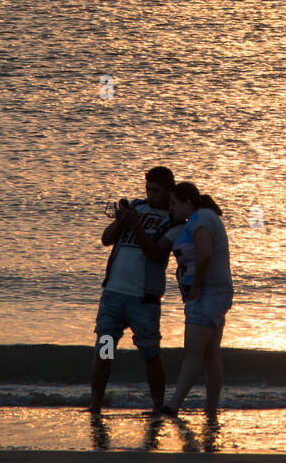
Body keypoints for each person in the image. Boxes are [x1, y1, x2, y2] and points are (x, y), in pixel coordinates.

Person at [89, 165, 175, 414]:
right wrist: (122, 221)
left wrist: (135, 224)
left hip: (144, 299)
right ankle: (95, 404)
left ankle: (158, 406)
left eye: (156, 190)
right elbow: (106, 239)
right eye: (148, 189)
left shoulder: (173, 220)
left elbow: (155, 253)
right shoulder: (136, 207)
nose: (150, 195)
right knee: (104, 349)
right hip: (113, 294)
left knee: (150, 354)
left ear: (169, 192)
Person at [163, 182, 234, 418]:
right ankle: (211, 410)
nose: (171, 208)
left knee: (193, 353)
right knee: (212, 353)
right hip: (216, 293)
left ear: (188, 203)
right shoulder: (204, 217)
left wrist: (195, 287)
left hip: (206, 295)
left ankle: (173, 405)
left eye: (174, 204)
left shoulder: (200, 217)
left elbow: (205, 253)